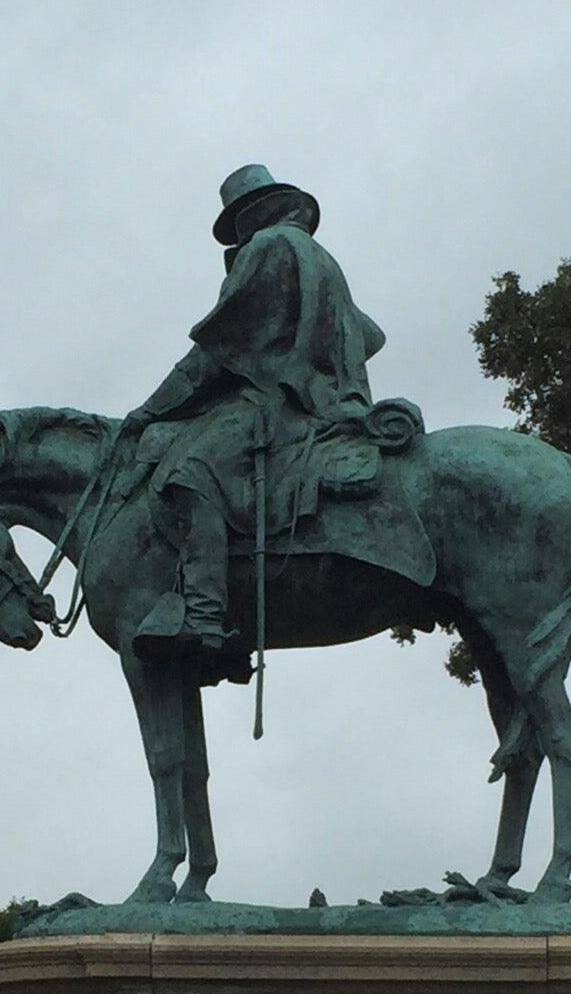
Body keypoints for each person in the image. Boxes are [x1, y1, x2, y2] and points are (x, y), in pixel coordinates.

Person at [123, 164, 387, 660]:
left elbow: (213, 356)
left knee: (189, 472)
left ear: (250, 215)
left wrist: (148, 410)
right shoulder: (320, 258)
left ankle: (203, 613)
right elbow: (368, 336)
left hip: (282, 405)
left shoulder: (268, 249)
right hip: (328, 402)